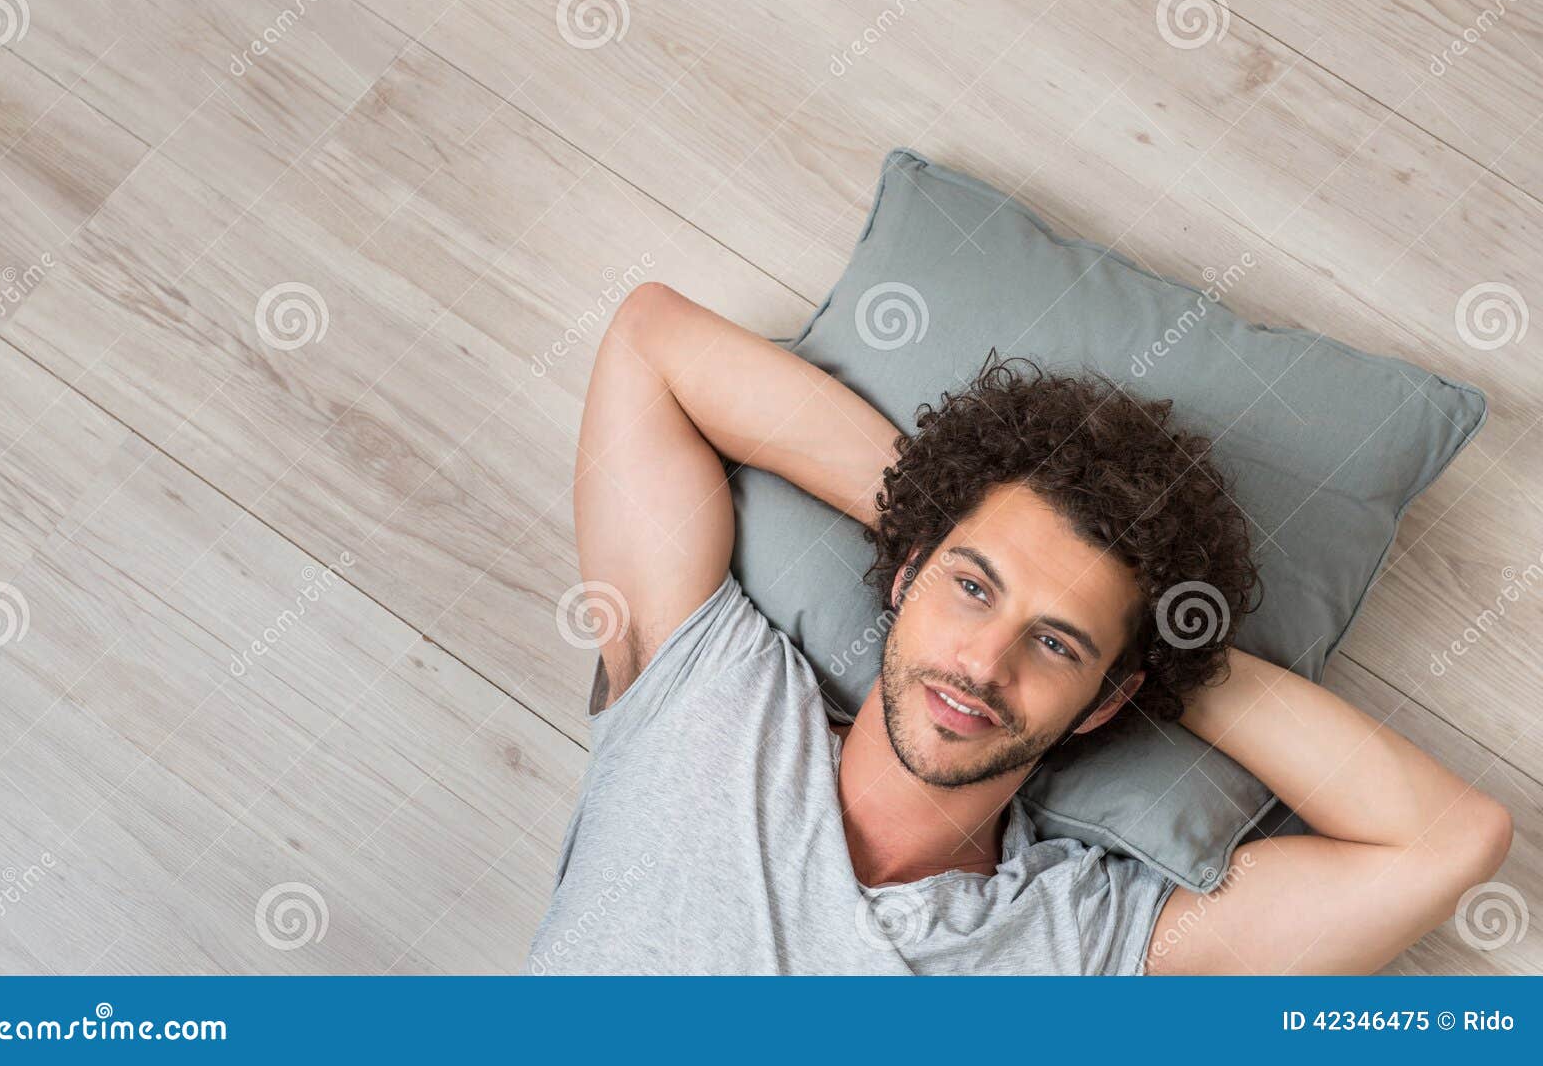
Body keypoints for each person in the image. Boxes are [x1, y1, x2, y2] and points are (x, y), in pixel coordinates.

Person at [527, 282, 1512, 974]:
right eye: (970, 587)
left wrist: (1170, 659)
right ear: (905, 572)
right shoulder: (709, 692)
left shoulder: (1078, 944)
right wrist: (931, 508)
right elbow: (651, 342)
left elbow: (1446, 841)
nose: (982, 663)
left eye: (1055, 643)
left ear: (1106, 700)